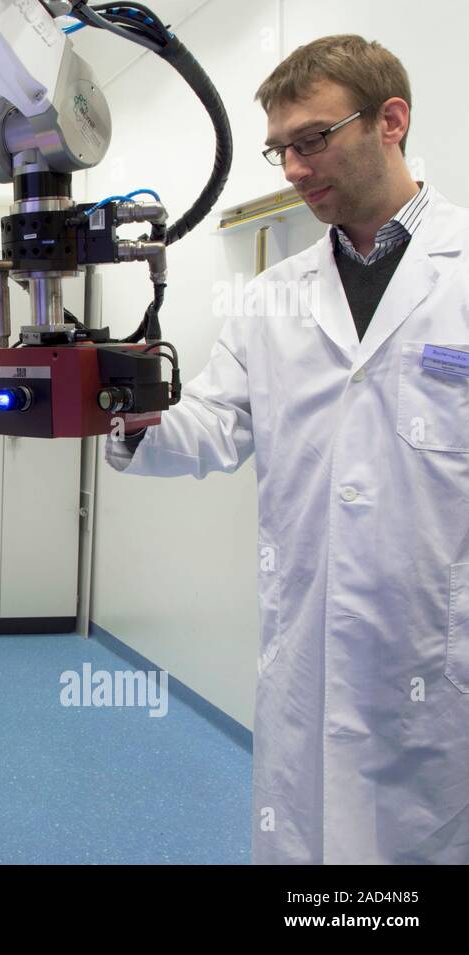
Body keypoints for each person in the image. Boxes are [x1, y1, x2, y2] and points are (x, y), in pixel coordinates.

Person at [107, 34, 469, 863]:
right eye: (280, 150)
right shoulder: (274, 299)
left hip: (439, 668)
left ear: (391, 120)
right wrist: (118, 406)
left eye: (314, 140)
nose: (296, 169)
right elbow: (213, 424)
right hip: (309, 652)